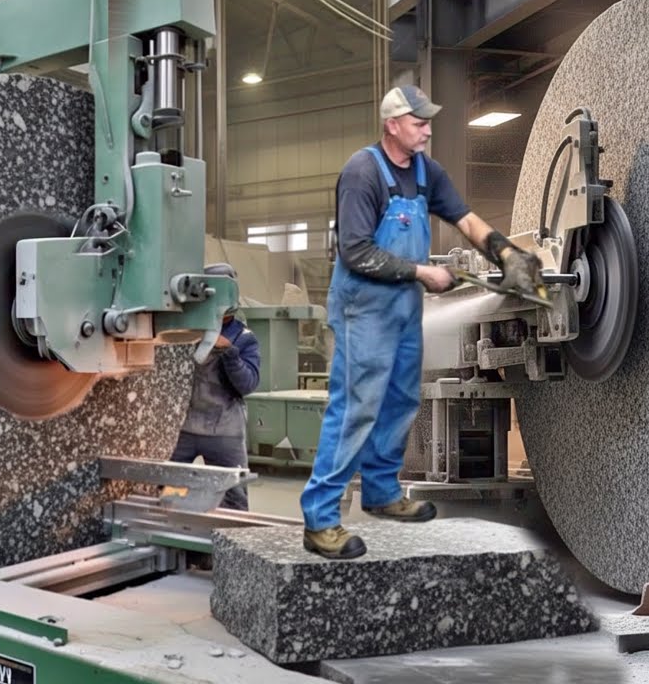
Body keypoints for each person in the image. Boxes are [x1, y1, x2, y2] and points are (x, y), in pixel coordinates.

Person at [298, 85, 541, 559]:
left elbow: (465, 219)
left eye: (429, 122)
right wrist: (422, 273)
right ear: (392, 126)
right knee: (356, 409)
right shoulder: (363, 172)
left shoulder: (427, 172)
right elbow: (356, 251)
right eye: (418, 122)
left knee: (403, 399)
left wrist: (506, 253)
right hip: (363, 308)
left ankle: (381, 492)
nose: (427, 130)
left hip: (404, 307)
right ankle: (320, 518)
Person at [169, 264, 261, 511]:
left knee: (234, 498)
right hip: (183, 429)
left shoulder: (243, 337)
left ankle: (232, 534)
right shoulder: (182, 330)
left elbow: (247, 384)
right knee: (167, 490)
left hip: (224, 431)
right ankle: (174, 529)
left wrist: (229, 353)